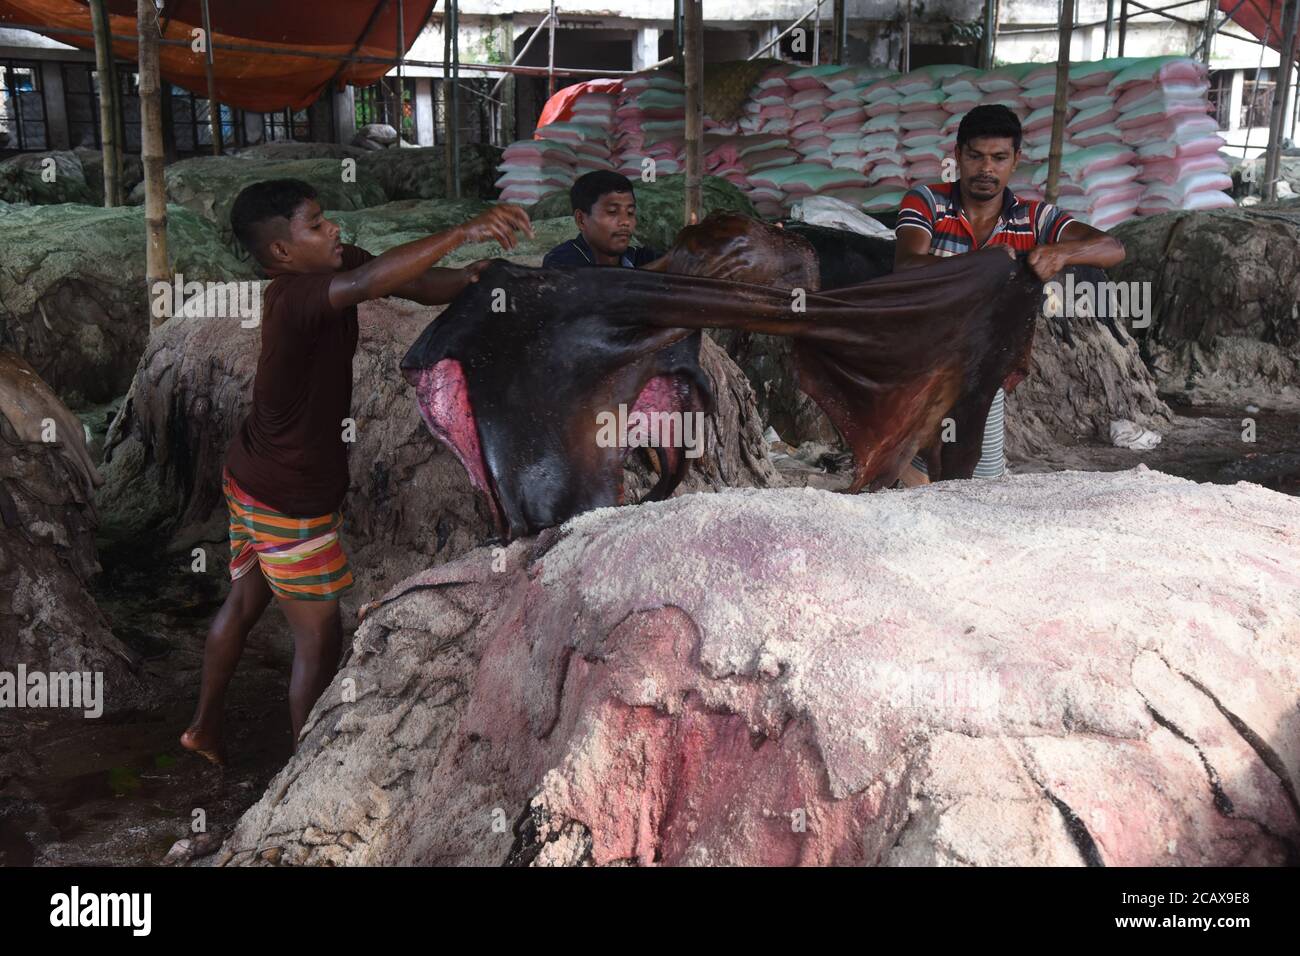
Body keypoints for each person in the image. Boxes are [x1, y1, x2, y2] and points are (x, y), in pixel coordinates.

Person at [180, 179, 533, 764]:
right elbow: (370, 283)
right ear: (282, 255)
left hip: (251, 476)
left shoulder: (336, 268)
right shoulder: (293, 296)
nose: (334, 230)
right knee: (319, 640)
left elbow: (417, 284)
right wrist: (463, 228)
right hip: (288, 498)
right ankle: (305, 774)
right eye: (316, 225)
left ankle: (203, 730)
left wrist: (475, 275)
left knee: (244, 604)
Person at [893, 104, 1126, 485]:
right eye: (976, 157)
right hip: (922, 355)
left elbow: (1113, 247)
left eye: (999, 158)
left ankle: (933, 486)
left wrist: (1062, 252)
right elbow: (907, 266)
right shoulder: (927, 202)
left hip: (986, 364)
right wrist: (989, 264)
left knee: (978, 473)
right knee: (924, 458)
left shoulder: (1034, 219)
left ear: (1016, 160)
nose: (986, 169)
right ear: (957, 156)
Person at [543, 170, 661, 268]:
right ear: (581, 220)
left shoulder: (641, 258)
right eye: (612, 212)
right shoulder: (562, 261)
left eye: (630, 213)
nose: (625, 221)